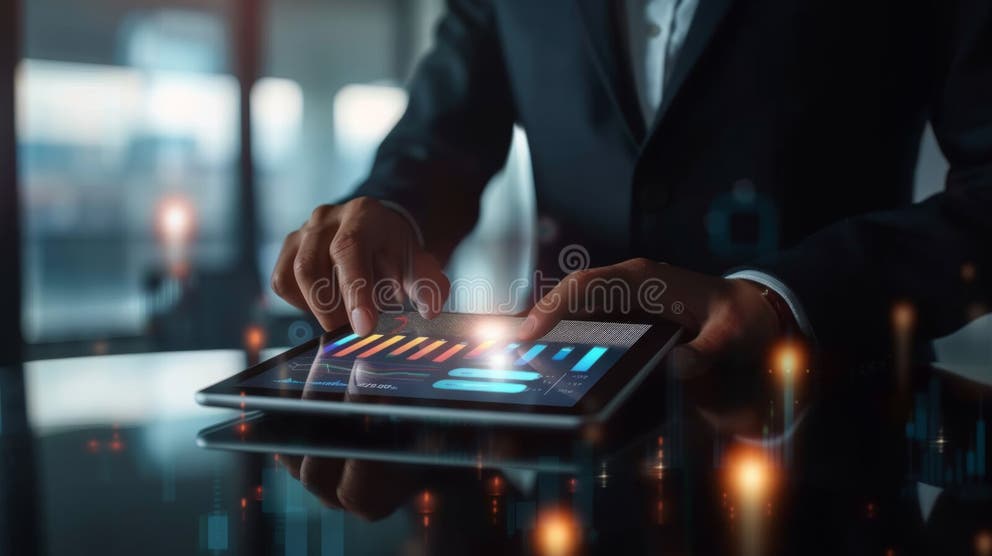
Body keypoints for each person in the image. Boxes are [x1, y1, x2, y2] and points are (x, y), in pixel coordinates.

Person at [270, 0, 992, 515]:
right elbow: (442, 136)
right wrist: (391, 209)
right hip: (560, 453)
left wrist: (781, 296)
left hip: (835, 445)